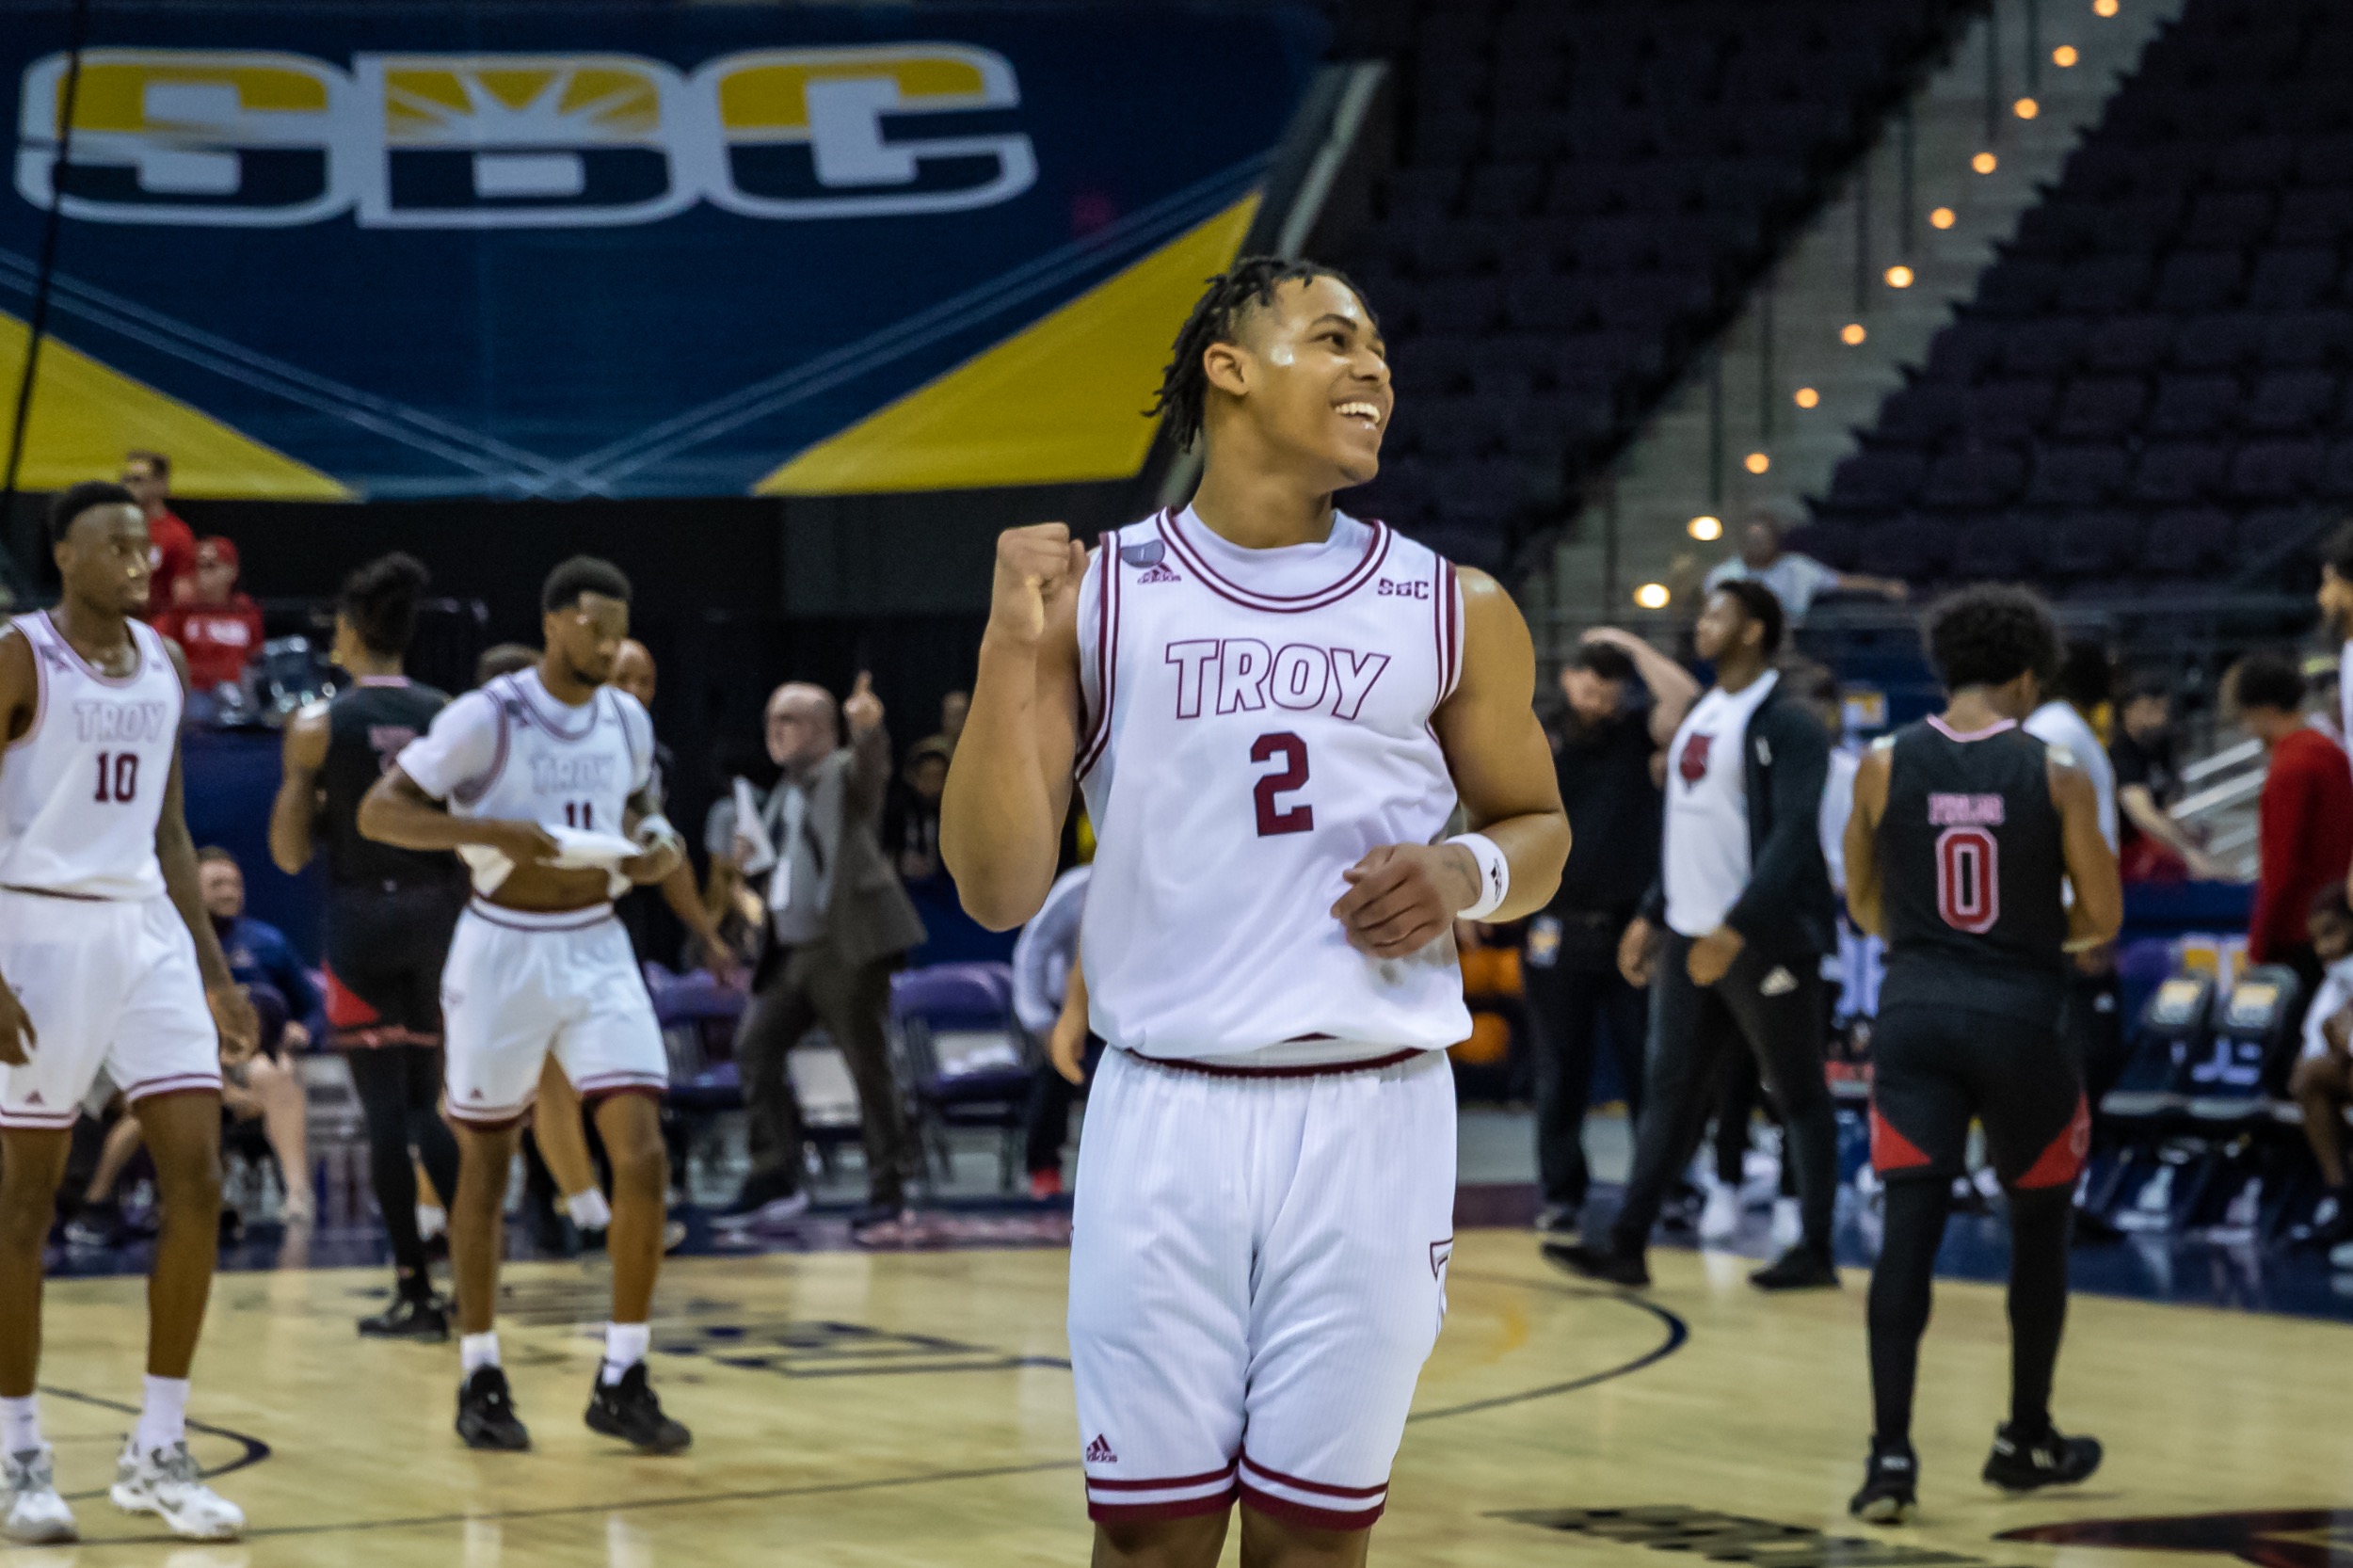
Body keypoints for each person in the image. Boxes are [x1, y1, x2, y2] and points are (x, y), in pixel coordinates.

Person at [940, 256, 1570, 1561]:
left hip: (1375, 1111)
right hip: (1165, 1107)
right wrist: (1008, 647)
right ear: (1228, 367)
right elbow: (997, 887)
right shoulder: (1096, 597)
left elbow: (1540, 829)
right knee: (1153, 1540)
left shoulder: (1457, 607)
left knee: (1311, 1541)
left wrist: (1466, 875)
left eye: (1381, 350)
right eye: (1334, 339)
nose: (1374, 370)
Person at [358, 556, 691, 1455]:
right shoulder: (487, 717)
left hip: (597, 942)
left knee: (644, 1155)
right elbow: (379, 815)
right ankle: (480, 1370)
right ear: (552, 622)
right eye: (593, 625)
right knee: (487, 1167)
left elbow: (641, 807)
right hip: (501, 946)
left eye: (619, 628)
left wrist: (658, 844)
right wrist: (488, 830)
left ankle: (623, 1372)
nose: (610, 643)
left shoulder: (625, 715)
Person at [0, 481, 259, 1544]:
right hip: (34, 927)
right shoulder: (19, 653)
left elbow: (170, 827)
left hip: (145, 928)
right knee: (26, 1203)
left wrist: (214, 967)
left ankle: (158, 1447)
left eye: (142, 548)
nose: (138, 563)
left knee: (197, 1174)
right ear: (63, 556)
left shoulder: (162, 660)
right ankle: (17, 1449)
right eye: (113, 546)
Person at [1841, 584, 2122, 1522]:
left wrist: (1929, 943)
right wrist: (2035, 934)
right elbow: (2105, 916)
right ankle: (2023, 1437)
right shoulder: (2055, 769)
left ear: (1946, 667)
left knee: (1904, 1244)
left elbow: (1864, 904)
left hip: (1915, 1013)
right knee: (2036, 1237)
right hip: (2023, 1018)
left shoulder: (1880, 763)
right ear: (2026, 675)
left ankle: (1888, 1457)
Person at [1551, 581, 1843, 1291]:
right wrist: (1654, 912)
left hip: (1760, 937)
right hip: (1687, 933)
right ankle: (1627, 1243)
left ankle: (1816, 1248)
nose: (1703, 623)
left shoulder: (1789, 722)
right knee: (1670, 1089)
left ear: (1754, 630)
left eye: (1718, 614)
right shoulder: (1704, 712)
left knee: (1796, 1088)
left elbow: (1794, 837)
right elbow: (1683, 826)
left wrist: (1736, 928)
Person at [268, 552, 468, 1338]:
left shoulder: (319, 726)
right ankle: (474, 1276)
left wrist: (311, 799)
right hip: (440, 915)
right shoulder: (450, 714)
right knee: (432, 1104)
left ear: (349, 633)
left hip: (362, 917)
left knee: (386, 1109)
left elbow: (286, 854)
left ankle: (413, 1289)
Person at [710, 675, 925, 1231]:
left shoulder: (839, 774)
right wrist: (751, 861)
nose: (776, 732)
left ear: (826, 729)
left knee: (866, 1066)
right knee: (755, 1048)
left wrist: (869, 729)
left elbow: (871, 773)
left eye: (790, 721)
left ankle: (888, 1185)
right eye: (771, 722)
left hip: (844, 946)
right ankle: (775, 1173)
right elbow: (789, 870)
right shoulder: (781, 793)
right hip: (791, 948)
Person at [1524, 631, 1696, 1237]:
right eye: (1588, 685)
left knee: (1648, 1066)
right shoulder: (1538, 735)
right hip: (1556, 923)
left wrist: (1626, 642)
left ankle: (1666, 1189)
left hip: (1632, 929)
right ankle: (1563, 1193)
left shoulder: (1637, 736)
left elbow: (1686, 697)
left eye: (1609, 689)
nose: (1597, 699)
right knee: (1560, 1067)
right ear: (1568, 679)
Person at [608, 638, 736, 978]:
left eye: (645, 682)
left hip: (619, 913)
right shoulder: (565, 744)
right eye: (621, 679)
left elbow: (668, 853)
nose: (633, 691)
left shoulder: (657, 761)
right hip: (550, 906)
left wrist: (707, 934)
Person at [2235, 651, 2353, 997]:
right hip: (2339, 927)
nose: (2246, 729)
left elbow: (2281, 870)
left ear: (2263, 712)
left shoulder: (2290, 766)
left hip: (2299, 939)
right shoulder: (2331, 752)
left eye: (2246, 719)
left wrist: (2259, 947)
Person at [1012, 864, 1092, 1198]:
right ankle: (1044, 1169)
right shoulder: (1074, 890)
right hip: (1066, 1009)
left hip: (1131, 1011)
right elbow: (1032, 952)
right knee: (1054, 1073)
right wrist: (1040, 1022)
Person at [2288, 883, 2353, 1252]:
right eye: (2317, 938)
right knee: (2308, 1077)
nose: (2323, 947)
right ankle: (2340, 1197)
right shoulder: (2336, 979)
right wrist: (2337, 1042)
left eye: (2333, 932)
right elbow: (2313, 1049)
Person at [1703, 509, 1908, 622]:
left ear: (1776, 539)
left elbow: (1842, 581)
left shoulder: (1798, 568)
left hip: (1790, 647)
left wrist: (1884, 586)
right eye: (1753, 539)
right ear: (1743, 541)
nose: (1758, 545)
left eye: (1763, 539)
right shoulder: (1724, 576)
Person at [2108, 673, 2216, 882]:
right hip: (2125, 855)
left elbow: (2167, 805)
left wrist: (2186, 833)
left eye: (2162, 710)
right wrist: (2185, 850)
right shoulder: (2122, 754)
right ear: (2128, 711)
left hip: (2154, 853)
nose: (2158, 719)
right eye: (2150, 710)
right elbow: (2141, 813)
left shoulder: (2161, 747)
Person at [154, 537, 264, 695]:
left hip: (239, 693)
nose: (201, 574)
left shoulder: (246, 610)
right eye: (198, 566)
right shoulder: (183, 612)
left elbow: (256, 659)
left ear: (232, 571)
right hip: (196, 695)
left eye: (210, 566)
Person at [120, 451, 198, 619]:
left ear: (160, 483)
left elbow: (183, 595)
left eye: (138, 479)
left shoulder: (178, 534)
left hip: (156, 629)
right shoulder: (114, 528)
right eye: (126, 479)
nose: (130, 485)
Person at [884, 735, 952, 885]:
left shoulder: (953, 815)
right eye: (926, 777)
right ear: (913, 776)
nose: (932, 785)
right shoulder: (897, 810)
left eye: (938, 777)